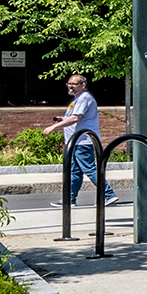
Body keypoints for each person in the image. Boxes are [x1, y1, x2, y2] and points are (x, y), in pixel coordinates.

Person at [41, 72, 101, 204]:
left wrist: (53, 128)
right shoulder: (77, 99)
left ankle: (108, 194)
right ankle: (70, 199)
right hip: (74, 141)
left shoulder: (84, 98)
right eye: (69, 84)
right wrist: (63, 119)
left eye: (74, 84)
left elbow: (75, 118)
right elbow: (74, 116)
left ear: (83, 85)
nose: (70, 86)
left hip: (82, 141)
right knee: (75, 172)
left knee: (89, 169)